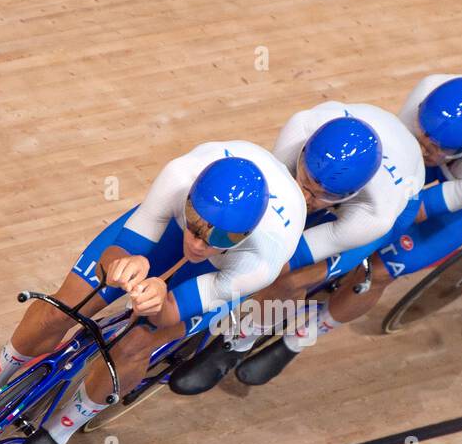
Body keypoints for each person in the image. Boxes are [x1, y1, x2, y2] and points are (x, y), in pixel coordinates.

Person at [0, 143, 304, 444]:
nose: (200, 243)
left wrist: (159, 300)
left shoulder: (261, 259)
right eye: (197, 227)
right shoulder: (179, 178)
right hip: (167, 227)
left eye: (220, 238)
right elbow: (115, 253)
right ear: (190, 201)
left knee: (139, 342)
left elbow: (171, 312)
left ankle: (60, 430)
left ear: (246, 235)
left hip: (221, 273)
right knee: (67, 306)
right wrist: (123, 265)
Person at [169, 102, 424, 392]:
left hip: (395, 205)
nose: (304, 196)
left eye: (321, 194)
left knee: (292, 277)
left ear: (350, 193)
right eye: (305, 180)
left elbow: (287, 257)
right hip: (349, 149)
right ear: (303, 153)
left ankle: (249, 341)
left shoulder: (374, 214)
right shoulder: (300, 128)